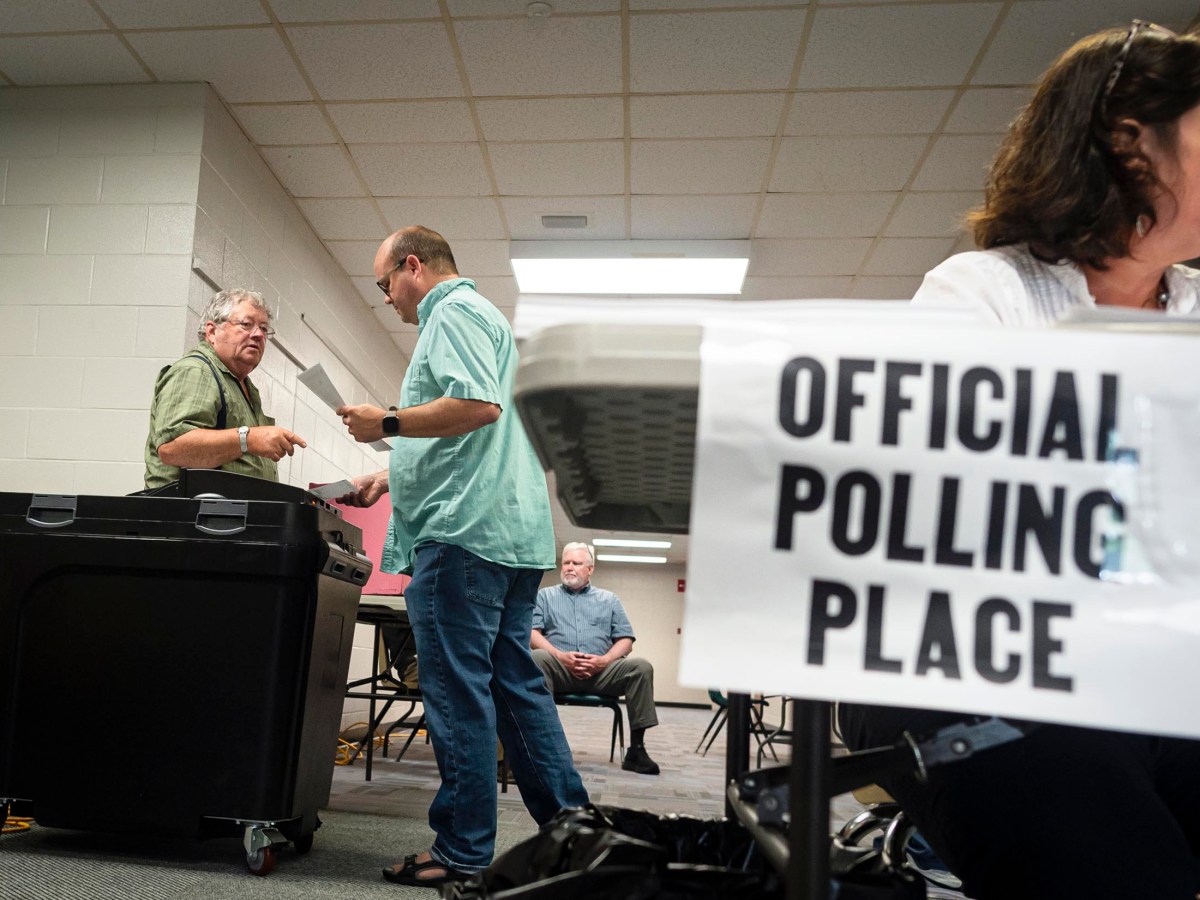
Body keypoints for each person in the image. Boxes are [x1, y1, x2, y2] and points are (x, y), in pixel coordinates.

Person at [839, 21, 1200, 900]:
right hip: (978, 653)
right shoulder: (983, 296)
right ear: (1129, 144)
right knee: (1100, 845)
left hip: (1160, 658)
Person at [336, 226, 589, 888]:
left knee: (458, 696)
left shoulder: (450, 312)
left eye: (385, 283)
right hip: (506, 534)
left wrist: (386, 422)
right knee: (513, 689)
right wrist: (391, 475)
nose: (386, 297)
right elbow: (474, 434)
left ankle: (461, 851)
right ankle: (574, 835)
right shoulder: (487, 320)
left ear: (412, 266)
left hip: (462, 536)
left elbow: (476, 407)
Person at [144, 289, 306, 488]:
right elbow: (172, 448)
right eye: (246, 324)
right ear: (212, 332)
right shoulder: (196, 371)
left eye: (264, 328)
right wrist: (249, 439)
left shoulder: (242, 385)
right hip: (189, 507)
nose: (258, 335)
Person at [531, 542, 662, 776]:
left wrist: (604, 661)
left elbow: (626, 640)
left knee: (641, 667)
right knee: (536, 658)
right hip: (560, 671)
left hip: (602, 673)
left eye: (576, 563)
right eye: (566, 562)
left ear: (590, 569)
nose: (569, 567)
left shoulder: (609, 599)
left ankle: (637, 751)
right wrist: (560, 656)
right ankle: (543, 747)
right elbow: (532, 634)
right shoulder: (545, 596)